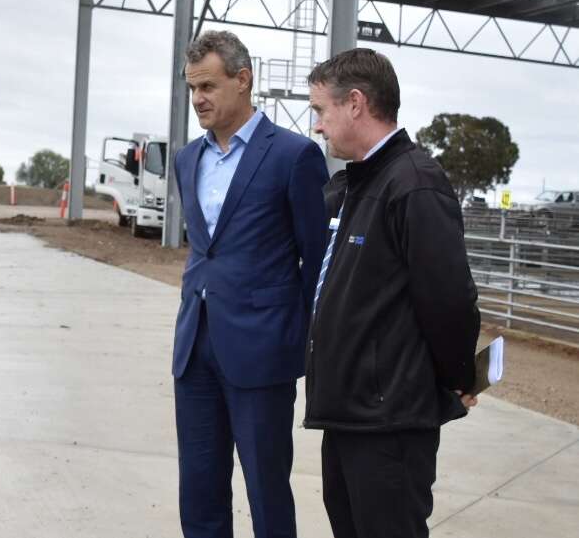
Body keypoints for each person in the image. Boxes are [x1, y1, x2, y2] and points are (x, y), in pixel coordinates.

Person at [305, 48, 480, 538]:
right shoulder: (357, 184)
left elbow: (448, 299)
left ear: (356, 103)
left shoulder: (414, 183)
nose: (318, 125)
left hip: (389, 420)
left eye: (321, 110)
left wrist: (458, 376)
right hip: (349, 412)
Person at [172, 30, 328, 538]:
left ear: (243, 81)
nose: (198, 99)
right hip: (195, 348)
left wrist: (294, 339)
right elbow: (205, 250)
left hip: (261, 353)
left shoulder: (294, 155)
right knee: (199, 488)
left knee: (265, 490)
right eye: (192, 88)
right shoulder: (186, 158)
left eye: (209, 86)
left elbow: (315, 258)